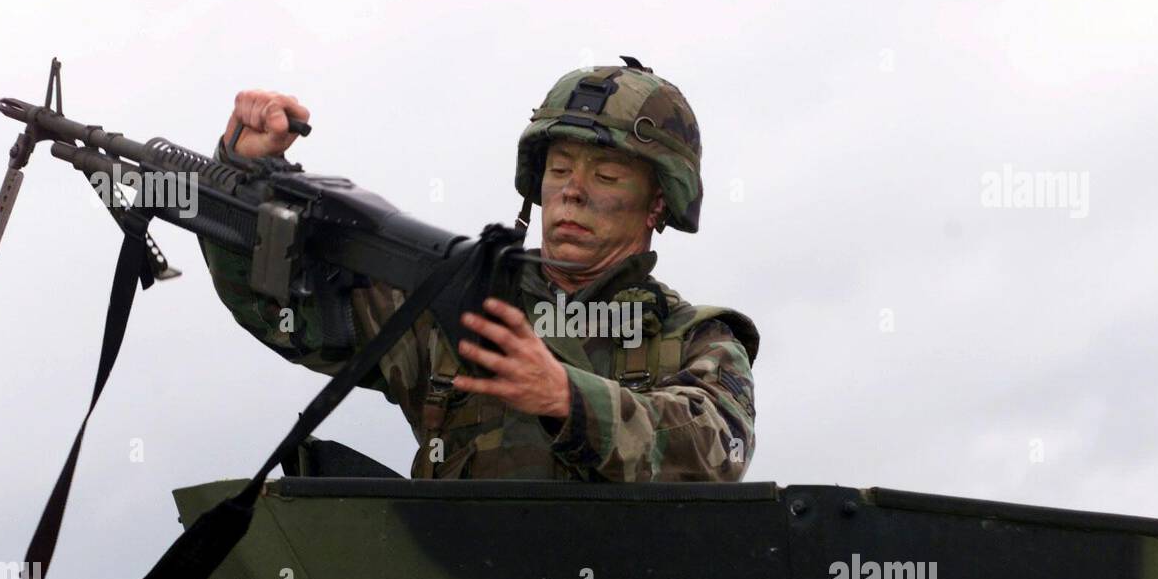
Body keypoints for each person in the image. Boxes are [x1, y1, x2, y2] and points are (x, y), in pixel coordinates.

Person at [199, 57, 759, 481]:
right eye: (559, 169)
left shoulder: (695, 339)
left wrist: (567, 397)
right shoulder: (457, 307)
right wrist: (242, 173)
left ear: (658, 202)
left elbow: (716, 448)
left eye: (606, 177)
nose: (572, 192)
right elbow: (282, 313)